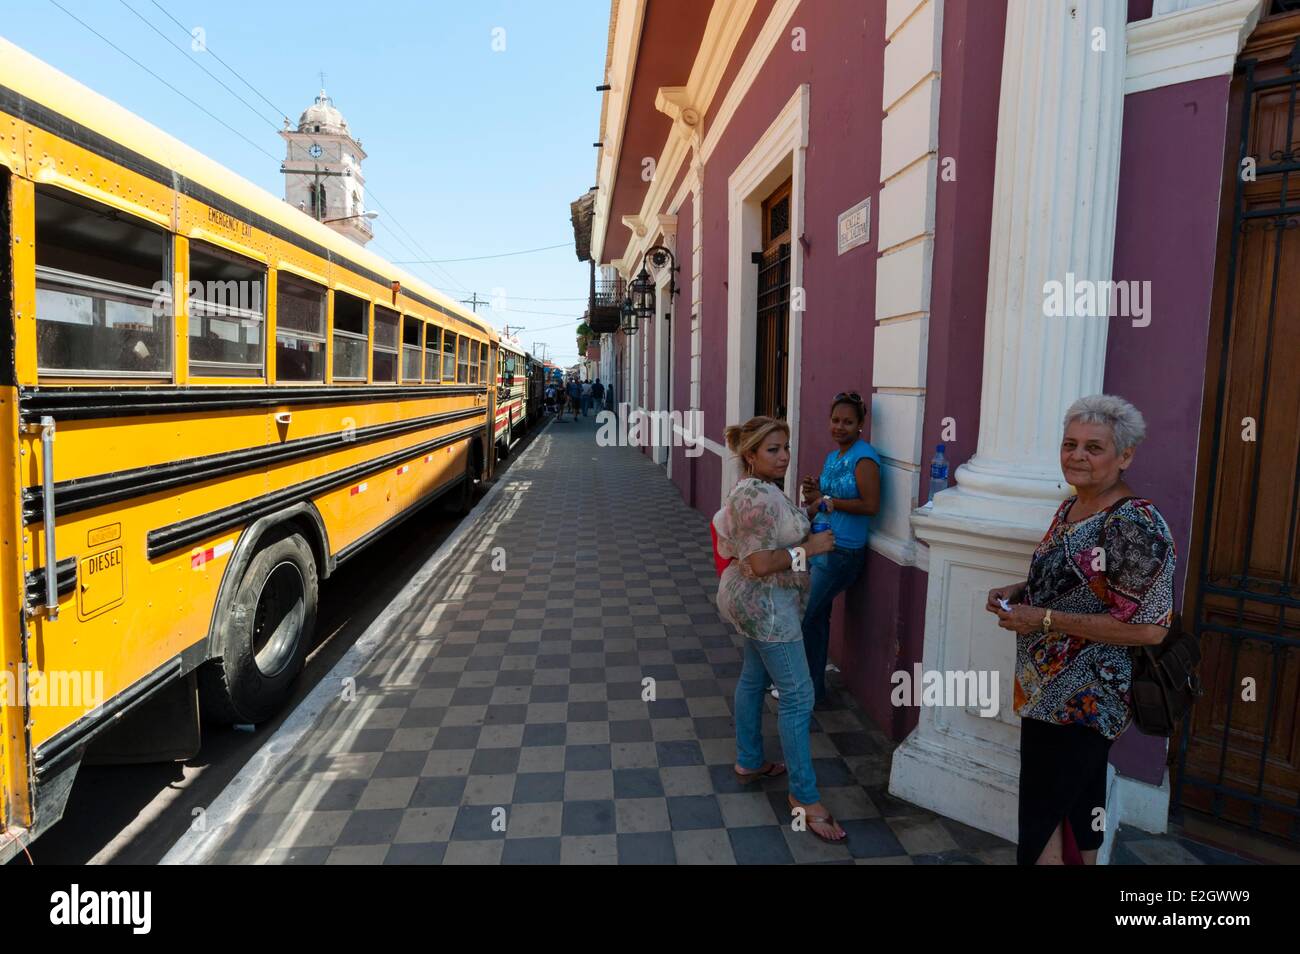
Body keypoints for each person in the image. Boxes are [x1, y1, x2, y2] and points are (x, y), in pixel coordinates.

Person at [986, 394, 1175, 866]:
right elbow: (1072, 579)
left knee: (1042, 814)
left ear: (1125, 456)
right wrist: (1023, 589)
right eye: (1070, 444)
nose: (1077, 455)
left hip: (1086, 699)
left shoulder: (1133, 523)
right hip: (1044, 691)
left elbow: (1151, 628)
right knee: (1077, 803)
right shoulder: (1073, 507)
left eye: (1094, 447)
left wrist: (1043, 618)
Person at [713, 416, 846, 843]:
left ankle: (749, 760)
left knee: (754, 678)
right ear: (750, 455)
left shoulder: (764, 489)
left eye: (786, 446)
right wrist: (811, 548)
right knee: (799, 694)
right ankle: (804, 798)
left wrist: (807, 510)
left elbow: (774, 534)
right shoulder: (755, 496)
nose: (784, 455)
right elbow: (760, 563)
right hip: (768, 610)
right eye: (773, 449)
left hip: (759, 606)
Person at [799, 391, 881, 708]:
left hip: (843, 553)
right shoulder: (833, 458)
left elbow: (870, 505)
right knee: (816, 619)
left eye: (848, 422)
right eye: (835, 420)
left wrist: (827, 501)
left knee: (804, 615)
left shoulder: (865, 458)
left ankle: (800, 689)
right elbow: (820, 501)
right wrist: (812, 493)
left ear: (860, 425)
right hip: (820, 545)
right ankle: (813, 691)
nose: (840, 427)